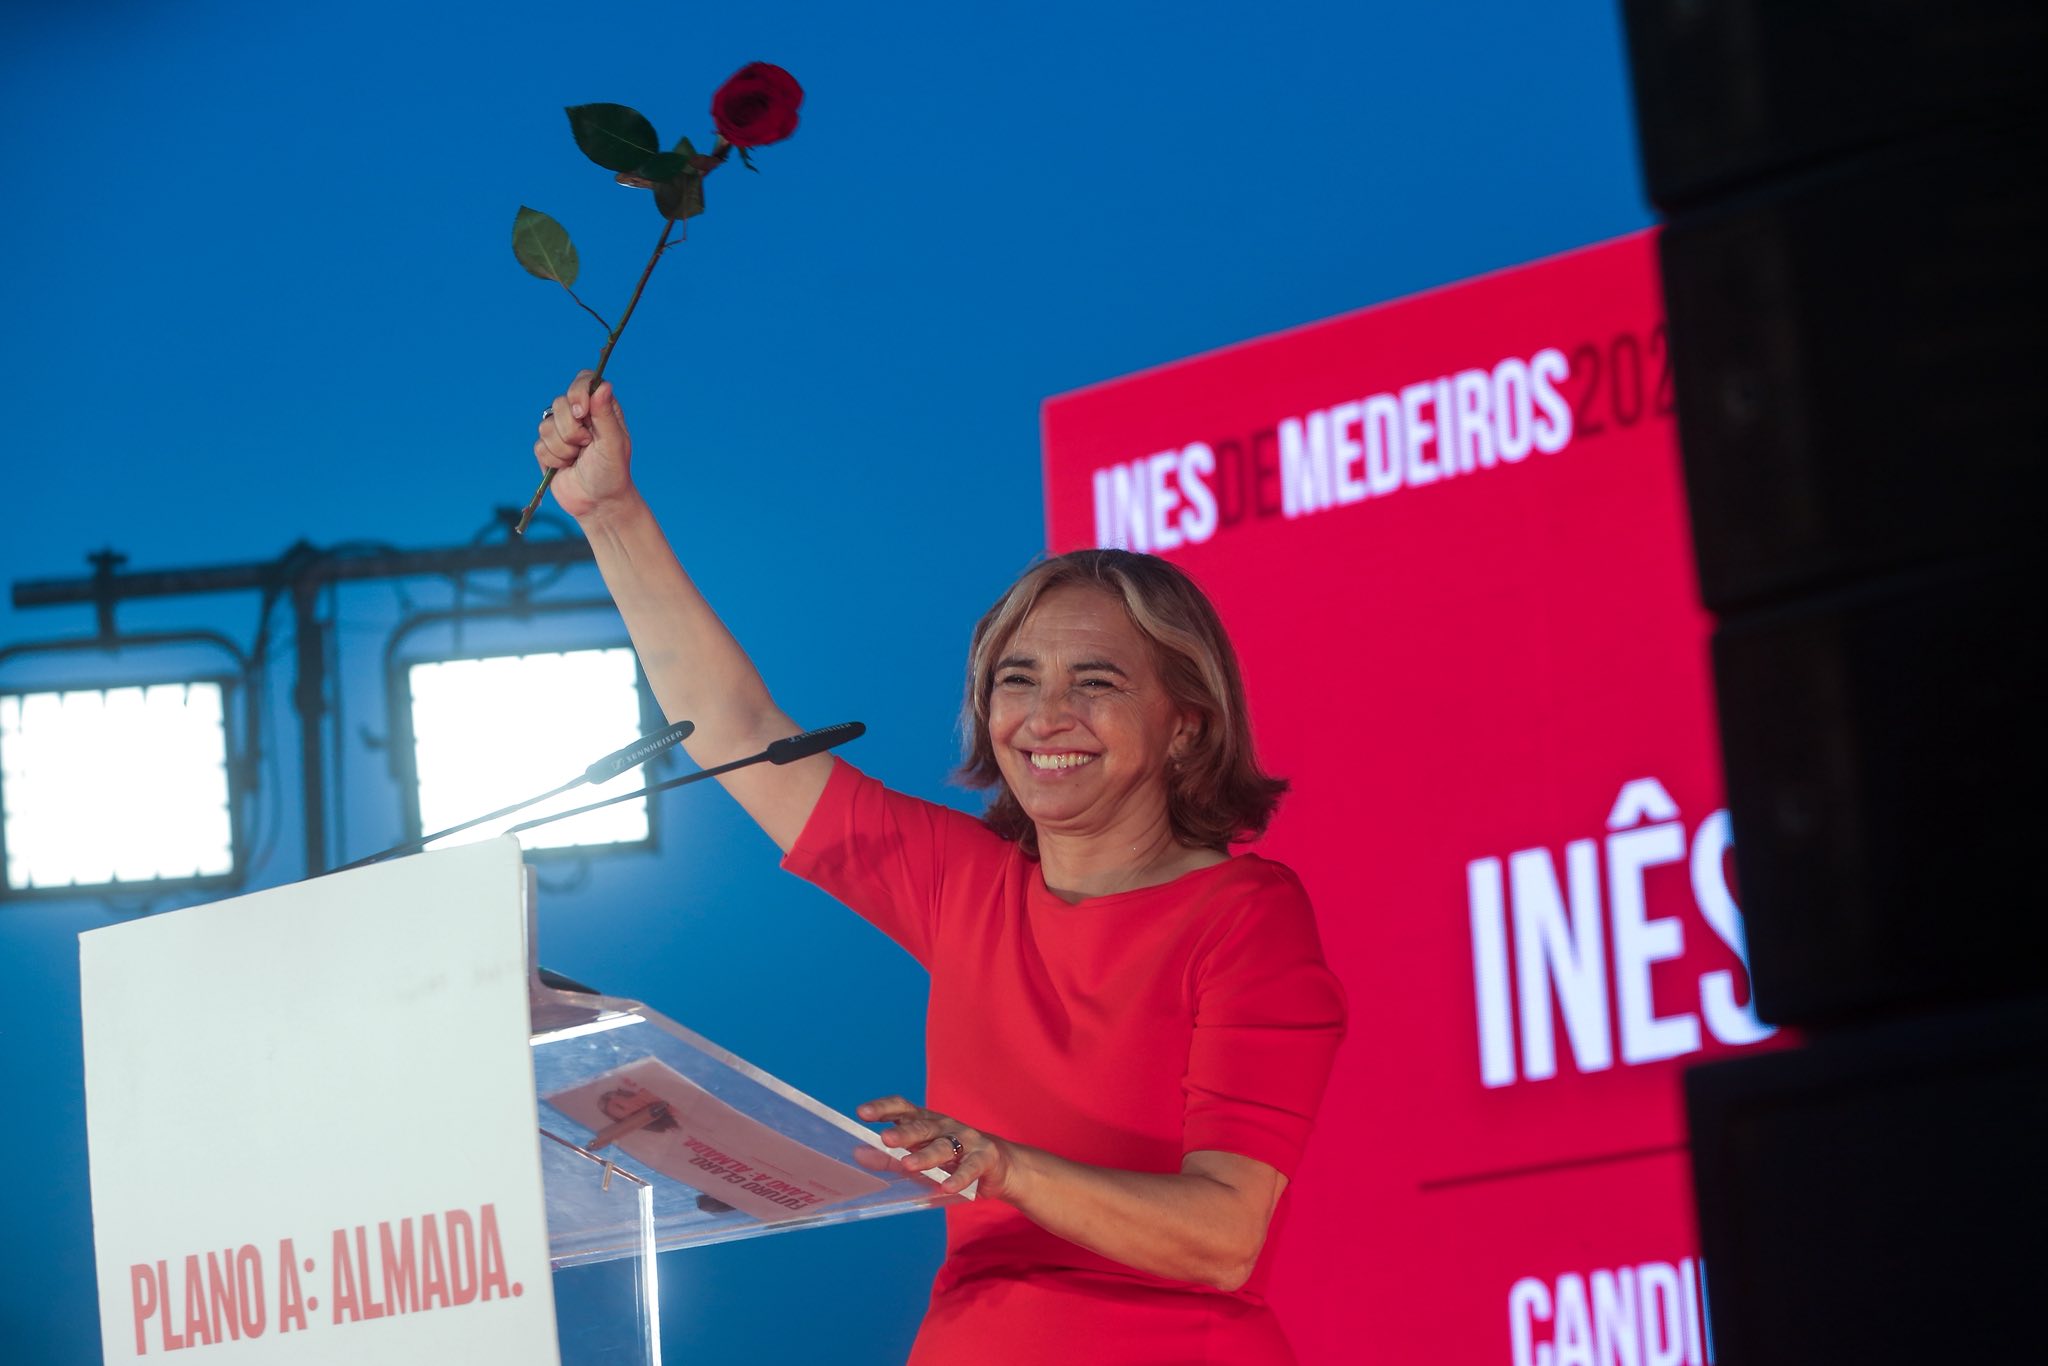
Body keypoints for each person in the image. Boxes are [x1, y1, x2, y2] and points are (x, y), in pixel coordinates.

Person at [534, 373, 1347, 1364]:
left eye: (1095, 682)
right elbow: (739, 732)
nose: (1044, 717)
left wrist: (1003, 1166)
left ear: (1186, 726)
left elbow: (1223, 1235)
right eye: (1017, 680)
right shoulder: (968, 884)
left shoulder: (1244, 916)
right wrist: (611, 514)